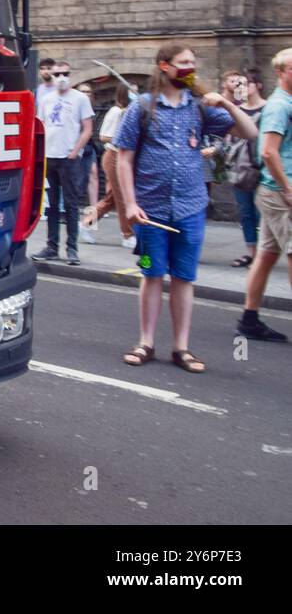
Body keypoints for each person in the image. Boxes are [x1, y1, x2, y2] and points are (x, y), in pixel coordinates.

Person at [117, 43, 257, 373]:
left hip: (191, 209)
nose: (190, 68)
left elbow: (249, 132)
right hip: (150, 214)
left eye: (193, 62)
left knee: (183, 277)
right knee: (150, 272)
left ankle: (181, 348)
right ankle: (146, 342)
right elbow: (123, 158)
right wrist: (130, 205)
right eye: (183, 62)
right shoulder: (142, 107)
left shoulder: (200, 108)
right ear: (164, 66)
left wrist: (225, 102)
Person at [238, 51, 292, 342]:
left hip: (276, 191)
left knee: (266, 256)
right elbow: (269, 152)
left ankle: (249, 320)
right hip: (281, 193)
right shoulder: (280, 106)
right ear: (283, 71)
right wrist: (287, 188)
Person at [33, 60, 94, 265]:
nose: (61, 77)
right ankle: (52, 246)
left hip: (70, 158)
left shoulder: (80, 99)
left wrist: (76, 150)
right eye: (57, 74)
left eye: (65, 73)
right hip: (50, 156)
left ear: (70, 74)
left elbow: (87, 128)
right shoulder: (46, 99)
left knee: (71, 205)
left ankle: (72, 249)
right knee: (51, 205)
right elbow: (39, 126)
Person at [220, 69, 265, 268]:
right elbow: (227, 139)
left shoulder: (270, 108)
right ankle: (252, 253)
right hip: (241, 169)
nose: (244, 87)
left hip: (264, 169)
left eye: (248, 83)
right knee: (246, 213)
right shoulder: (237, 110)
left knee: (264, 213)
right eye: (240, 84)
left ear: (259, 86)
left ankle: (265, 254)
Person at [83, 84, 136, 249]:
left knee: (112, 198)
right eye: (132, 91)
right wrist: (123, 139)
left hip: (123, 156)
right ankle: (127, 234)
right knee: (120, 197)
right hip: (114, 156)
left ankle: (85, 223)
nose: (135, 94)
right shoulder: (116, 112)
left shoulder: (131, 112)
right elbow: (104, 136)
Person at [76, 82, 100, 243]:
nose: (86, 94)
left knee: (94, 177)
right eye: (83, 91)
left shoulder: (93, 109)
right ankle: (80, 222)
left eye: (89, 91)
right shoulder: (74, 106)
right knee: (76, 187)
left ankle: (91, 219)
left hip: (89, 148)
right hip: (73, 148)